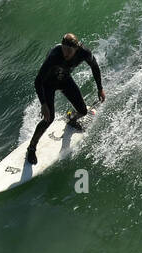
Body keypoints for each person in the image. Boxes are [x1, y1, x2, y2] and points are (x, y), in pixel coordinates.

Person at [26, 32, 105, 165]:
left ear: (77, 48)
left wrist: (100, 88)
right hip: (47, 84)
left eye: (69, 51)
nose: (66, 53)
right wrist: (43, 104)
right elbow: (38, 81)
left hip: (64, 80)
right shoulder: (54, 55)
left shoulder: (84, 52)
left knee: (83, 111)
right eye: (64, 49)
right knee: (48, 118)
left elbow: (94, 66)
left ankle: (72, 120)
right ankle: (32, 147)